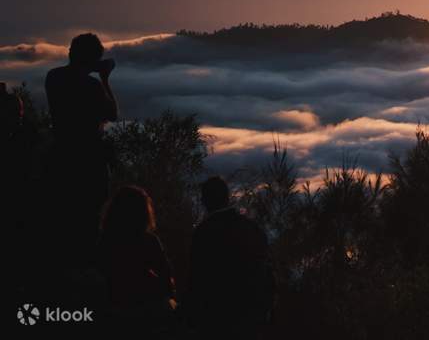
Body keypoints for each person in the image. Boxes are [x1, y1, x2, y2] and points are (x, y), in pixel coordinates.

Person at [45, 33, 119, 263]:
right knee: (90, 221)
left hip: (61, 158)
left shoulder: (53, 77)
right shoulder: (92, 86)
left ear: (71, 53)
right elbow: (112, 115)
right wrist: (104, 78)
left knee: (63, 221)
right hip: (89, 163)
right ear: (93, 59)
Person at [187, 176, 274, 338]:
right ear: (227, 198)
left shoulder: (204, 233)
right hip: (251, 319)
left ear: (206, 200)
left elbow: (197, 279)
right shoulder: (251, 228)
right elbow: (266, 270)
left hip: (218, 321)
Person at [98, 185, 176, 335]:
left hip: (112, 311)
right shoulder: (149, 241)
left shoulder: (104, 241)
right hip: (145, 313)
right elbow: (166, 277)